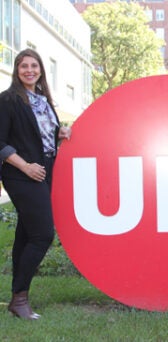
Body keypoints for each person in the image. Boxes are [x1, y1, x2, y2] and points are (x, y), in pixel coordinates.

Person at [0, 49, 71, 320]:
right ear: (16, 70)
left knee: (26, 235)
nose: (29, 70)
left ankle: (16, 298)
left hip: (45, 172)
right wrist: (25, 166)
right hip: (21, 174)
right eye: (23, 66)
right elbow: (1, 142)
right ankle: (20, 298)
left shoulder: (43, 101)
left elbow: (41, 135)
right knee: (42, 235)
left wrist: (60, 133)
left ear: (41, 69)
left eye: (34, 65)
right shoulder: (8, 100)